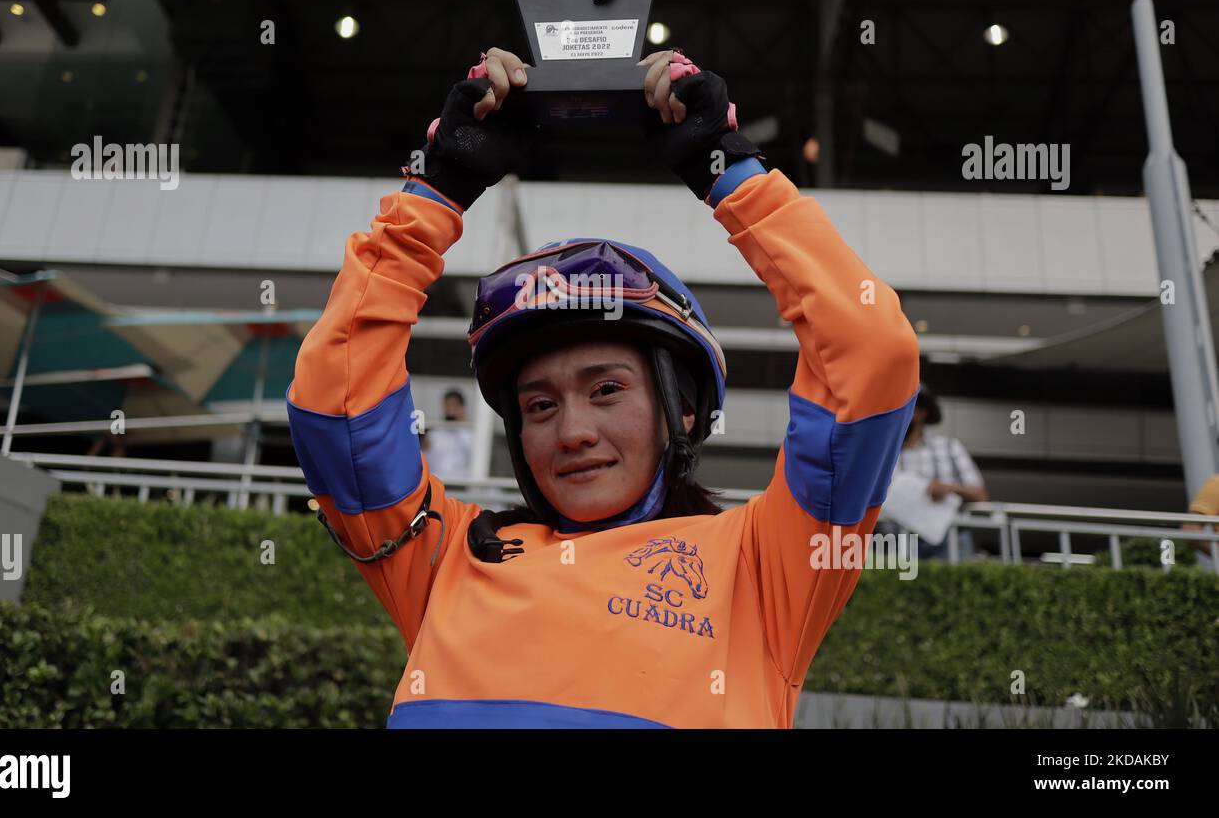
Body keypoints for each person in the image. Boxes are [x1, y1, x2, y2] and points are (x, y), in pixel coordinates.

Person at [285, 46, 920, 728]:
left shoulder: (767, 567)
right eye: (539, 405)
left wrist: (730, 172)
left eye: (608, 389)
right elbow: (335, 403)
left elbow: (868, 352)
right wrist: (438, 189)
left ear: (682, 408)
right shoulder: (447, 555)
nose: (573, 430)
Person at [890, 382, 988, 560]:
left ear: (922, 413)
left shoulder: (949, 448)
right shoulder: (885, 453)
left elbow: (979, 494)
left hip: (948, 540)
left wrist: (949, 488)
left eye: (906, 407)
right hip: (899, 540)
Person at [421, 389, 473, 480]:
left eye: (454, 406)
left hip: (462, 484)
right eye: (448, 406)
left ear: (462, 407)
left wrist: (460, 423)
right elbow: (425, 449)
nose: (451, 410)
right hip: (437, 482)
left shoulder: (470, 433)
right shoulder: (435, 432)